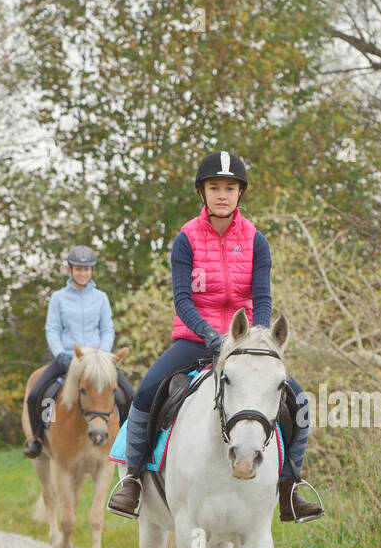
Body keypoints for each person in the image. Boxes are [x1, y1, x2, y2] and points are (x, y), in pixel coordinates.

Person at [106, 151, 323, 522]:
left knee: (299, 401)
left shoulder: (256, 240)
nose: (222, 194)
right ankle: (133, 480)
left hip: (245, 345)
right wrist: (208, 335)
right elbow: (182, 298)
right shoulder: (186, 239)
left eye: (230, 188)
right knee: (144, 391)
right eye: (214, 187)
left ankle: (290, 487)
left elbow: (262, 297)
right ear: (202, 193)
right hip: (195, 338)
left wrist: (257, 340)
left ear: (240, 193)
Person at [24, 245, 135, 458]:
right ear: (70, 270)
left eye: (87, 269)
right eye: (78, 269)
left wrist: (101, 356)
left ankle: (127, 440)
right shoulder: (58, 297)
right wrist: (60, 354)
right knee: (36, 394)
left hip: (97, 360)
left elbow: (107, 329)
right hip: (68, 357)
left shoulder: (101, 297)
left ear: (92, 271)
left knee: (130, 394)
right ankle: (38, 439)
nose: (82, 273)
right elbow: (52, 329)